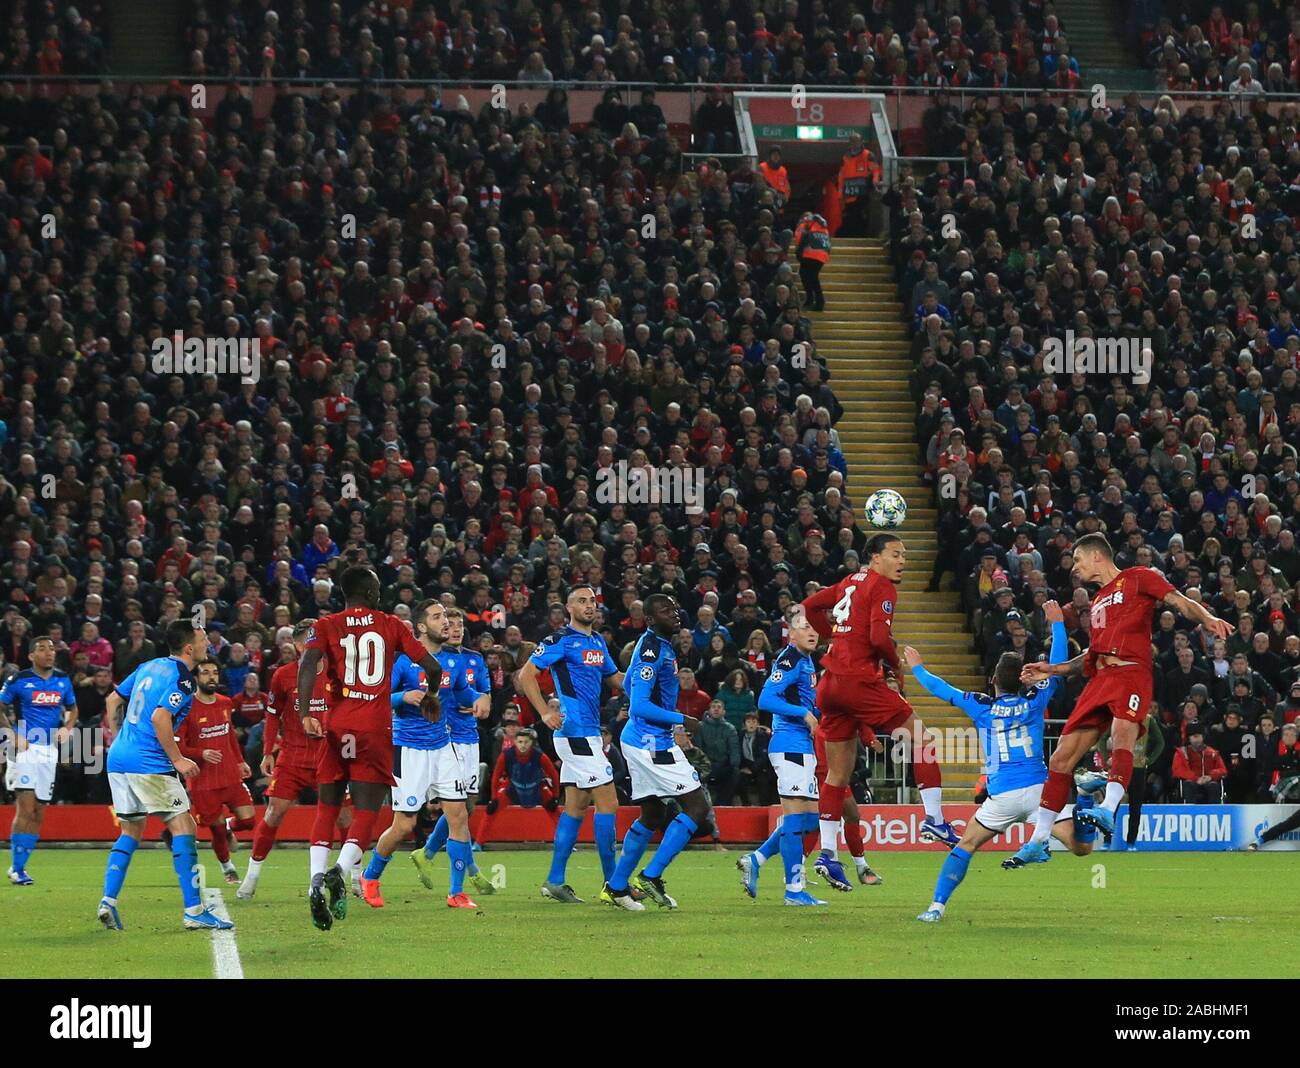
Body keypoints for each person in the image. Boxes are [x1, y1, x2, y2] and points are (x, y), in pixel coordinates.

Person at [1017, 533, 1233, 859]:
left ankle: (1108, 806)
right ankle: (1039, 839)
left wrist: (1207, 618)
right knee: (1061, 755)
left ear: (1097, 557)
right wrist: (1053, 670)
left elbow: (1178, 601)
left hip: (1131, 672)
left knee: (1123, 734)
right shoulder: (1098, 600)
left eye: (1078, 559)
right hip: (1099, 679)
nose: (1074, 567)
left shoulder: (1138, 577)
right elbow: (1091, 653)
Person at [903, 601, 1098, 921]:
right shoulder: (1035, 700)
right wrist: (1058, 625)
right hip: (1039, 792)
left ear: (993, 679)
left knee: (964, 846)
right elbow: (1057, 666)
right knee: (1081, 848)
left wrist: (919, 668)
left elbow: (942, 690)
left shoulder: (982, 706)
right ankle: (1086, 800)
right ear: (1023, 679)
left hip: (1003, 796)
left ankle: (935, 908)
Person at [801, 532, 957, 892]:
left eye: (904, 554)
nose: (902, 560)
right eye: (895, 554)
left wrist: (833, 637)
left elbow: (809, 605)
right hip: (859, 680)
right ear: (875, 557)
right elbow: (877, 639)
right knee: (924, 740)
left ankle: (827, 853)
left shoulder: (847, 582)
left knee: (837, 776)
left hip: (830, 684)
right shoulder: (882, 587)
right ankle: (933, 818)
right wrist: (893, 664)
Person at [296, 566, 443, 930]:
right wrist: (432, 696)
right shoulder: (391, 624)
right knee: (366, 810)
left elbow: (308, 662)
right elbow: (432, 666)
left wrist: (303, 713)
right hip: (374, 728)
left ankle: (315, 880)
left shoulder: (326, 625)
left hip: (337, 722)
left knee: (327, 806)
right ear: (373, 593)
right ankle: (341, 871)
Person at [97, 620, 232, 932]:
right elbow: (160, 717)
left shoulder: (150, 665)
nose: (208, 645)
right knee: (184, 825)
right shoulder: (183, 680)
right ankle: (195, 910)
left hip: (119, 759)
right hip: (149, 762)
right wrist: (179, 759)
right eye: (202, 641)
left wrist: (120, 739)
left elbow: (113, 700)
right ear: (189, 648)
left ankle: (108, 901)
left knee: (130, 831)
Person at [362, 599, 480, 908]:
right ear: (421, 627)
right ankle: (371, 877)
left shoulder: (452, 663)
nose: (446, 623)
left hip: (443, 747)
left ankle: (456, 892)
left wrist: (482, 699)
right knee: (404, 826)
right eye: (438, 617)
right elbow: (376, 699)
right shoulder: (402, 662)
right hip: (409, 750)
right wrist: (403, 696)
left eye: (446, 616)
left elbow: (463, 693)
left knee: (459, 815)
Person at [600, 593, 710, 911]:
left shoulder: (656, 644)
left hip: (642, 739)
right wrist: (682, 719)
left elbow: (631, 685)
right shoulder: (651, 649)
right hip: (651, 742)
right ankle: (650, 876)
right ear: (649, 619)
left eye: (675, 608)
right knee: (697, 807)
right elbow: (640, 704)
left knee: (653, 813)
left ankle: (617, 887)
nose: (674, 614)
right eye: (665, 610)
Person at [517, 584, 624, 903]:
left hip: (589, 733)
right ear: (569, 608)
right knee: (609, 803)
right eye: (581, 601)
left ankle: (554, 881)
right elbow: (526, 675)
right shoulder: (559, 640)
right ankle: (613, 885)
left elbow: (615, 679)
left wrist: (647, 680)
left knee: (576, 806)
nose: (589, 605)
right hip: (574, 734)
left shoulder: (597, 643)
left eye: (592, 600)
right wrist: (544, 714)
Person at [237, 619, 352, 900]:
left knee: (346, 817)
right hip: (293, 756)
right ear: (300, 645)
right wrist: (267, 752)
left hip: (331, 755)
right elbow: (273, 715)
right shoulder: (284, 676)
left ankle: (356, 878)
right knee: (274, 812)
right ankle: (251, 877)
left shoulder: (340, 673)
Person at [737, 609, 829, 905]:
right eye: (805, 627)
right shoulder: (789, 659)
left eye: (815, 627)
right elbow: (766, 699)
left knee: (812, 820)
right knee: (795, 818)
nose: (812, 632)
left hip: (801, 747)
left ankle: (757, 859)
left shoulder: (805, 660)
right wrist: (803, 713)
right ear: (791, 632)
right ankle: (794, 890)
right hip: (790, 746)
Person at [408, 606, 495, 898]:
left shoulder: (474, 659)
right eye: (450, 623)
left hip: (470, 737)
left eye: (459, 624)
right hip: (447, 737)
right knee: (458, 809)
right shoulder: (432, 660)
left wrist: (481, 701)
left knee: (467, 807)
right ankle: (468, 872)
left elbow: (484, 695)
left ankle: (429, 852)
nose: (455, 628)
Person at [1, 636, 77, 885]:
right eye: (42, 649)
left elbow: (72, 708)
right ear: (31, 656)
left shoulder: (63, 679)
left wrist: (68, 726)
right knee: (26, 806)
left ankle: (20, 866)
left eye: (52, 649)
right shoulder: (19, 680)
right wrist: (12, 734)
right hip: (24, 750)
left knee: (40, 810)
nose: (49, 653)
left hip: (49, 751)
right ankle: (17, 868)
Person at [176, 659, 254, 885]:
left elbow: (229, 735)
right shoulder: (186, 707)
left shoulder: (225, 702)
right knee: (217, 831)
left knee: (248, 821)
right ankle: (227, 867)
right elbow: (178, 746)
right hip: (203, 781)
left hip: (229, 774)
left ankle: (231, 826)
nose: (211, 677)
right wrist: (202, 753)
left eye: (215, 672)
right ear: (196, 678)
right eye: (205, 673)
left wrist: (240, 761)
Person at [1097, 709, 1164, 849]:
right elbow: (1102, 739)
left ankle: (1130, 842)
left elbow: (1160, 742)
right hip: (1120, 766)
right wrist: (1106, 758)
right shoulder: (1119, 716)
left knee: (1135, 805)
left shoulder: (1148, 719)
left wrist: (1149, 760)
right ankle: (1108, 840)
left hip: (1137, 767)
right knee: (1113, 805)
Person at [488, 727, 558, 810]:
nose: (523, 745)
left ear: (531, 742)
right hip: (513, 786)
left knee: (552, 807)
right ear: (515, 742)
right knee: (492, 810)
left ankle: (561, 823)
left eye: (526, 742)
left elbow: (554, 775)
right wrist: (494, 798)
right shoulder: (505, 755)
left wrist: (555, 797)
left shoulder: (540, 756)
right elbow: (495, 777)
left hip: (536, 787)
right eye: (520, 742)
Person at [835, 132, 881, 237]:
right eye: (852, 141)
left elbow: (875, 170)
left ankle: (861, 236)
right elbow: (841, 176)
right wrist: (840, 193)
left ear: (861, 142)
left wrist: (875, 182)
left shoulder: (868, 155)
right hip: (848, 194)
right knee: (848, 216)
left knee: (861, 216)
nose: (854, 143)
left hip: (863, 193)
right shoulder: (845, 157)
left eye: (856, 141)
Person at [1172, 726, 1227, 803]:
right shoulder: (1181, 753)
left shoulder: (1213, 753)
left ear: (1203, 737)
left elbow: (1223, 770)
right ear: (1189, 738)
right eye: (1194, 737)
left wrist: (1210, 776)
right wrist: (1196, 778)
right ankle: (1190, 811)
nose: (1196, 739)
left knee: (1213, 785)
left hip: (1208, 781)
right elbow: (1177, 770)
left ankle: (1214, 811)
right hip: (1191, 781)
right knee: (1188, 784)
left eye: (1198, 736)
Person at [793, 212, 830, 312]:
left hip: (810, 253)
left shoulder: (805, 223)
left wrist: (798, 252)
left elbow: (802, 236)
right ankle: (814, 300)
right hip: (822, 254)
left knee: (808, 276)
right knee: (811, 276)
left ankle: (816, 300)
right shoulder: (821, 225)